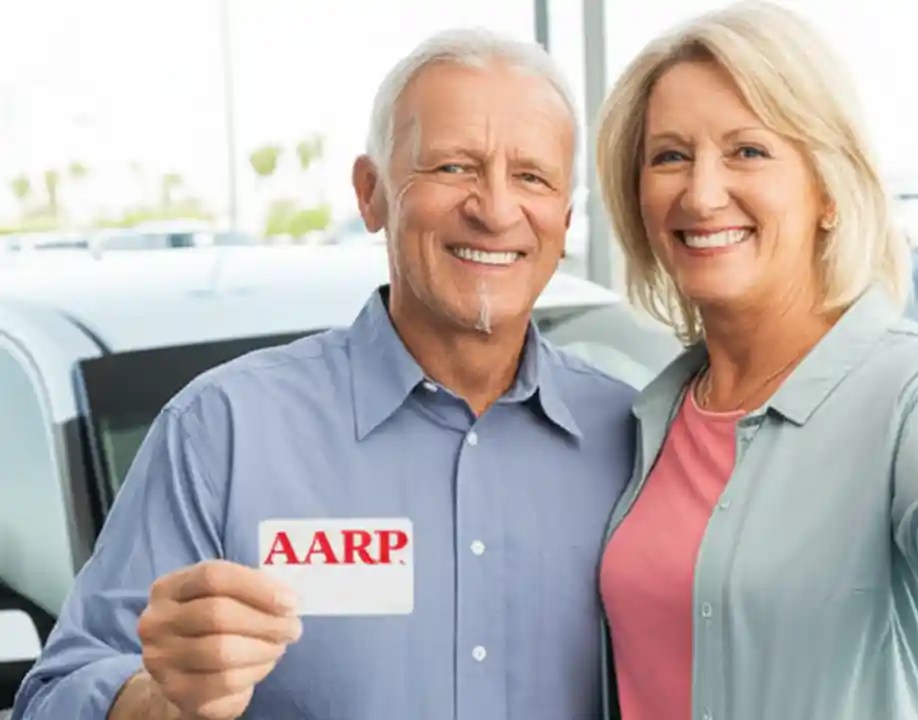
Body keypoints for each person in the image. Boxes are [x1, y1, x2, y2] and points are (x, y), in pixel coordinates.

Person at [14, 28, 637, 720]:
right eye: (453, 167)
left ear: (565, 217)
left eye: (531, 176)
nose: (494, 209)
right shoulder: (222, 434)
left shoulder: (638, 440)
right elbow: (55, 695)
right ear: (370, 193)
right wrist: (158, 701)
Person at [593, 2, 918, 719]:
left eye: (748, 150)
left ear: (827, 190)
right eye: (671, 155)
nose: (702, 194)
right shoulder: (655, 409)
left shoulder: (908, 387)